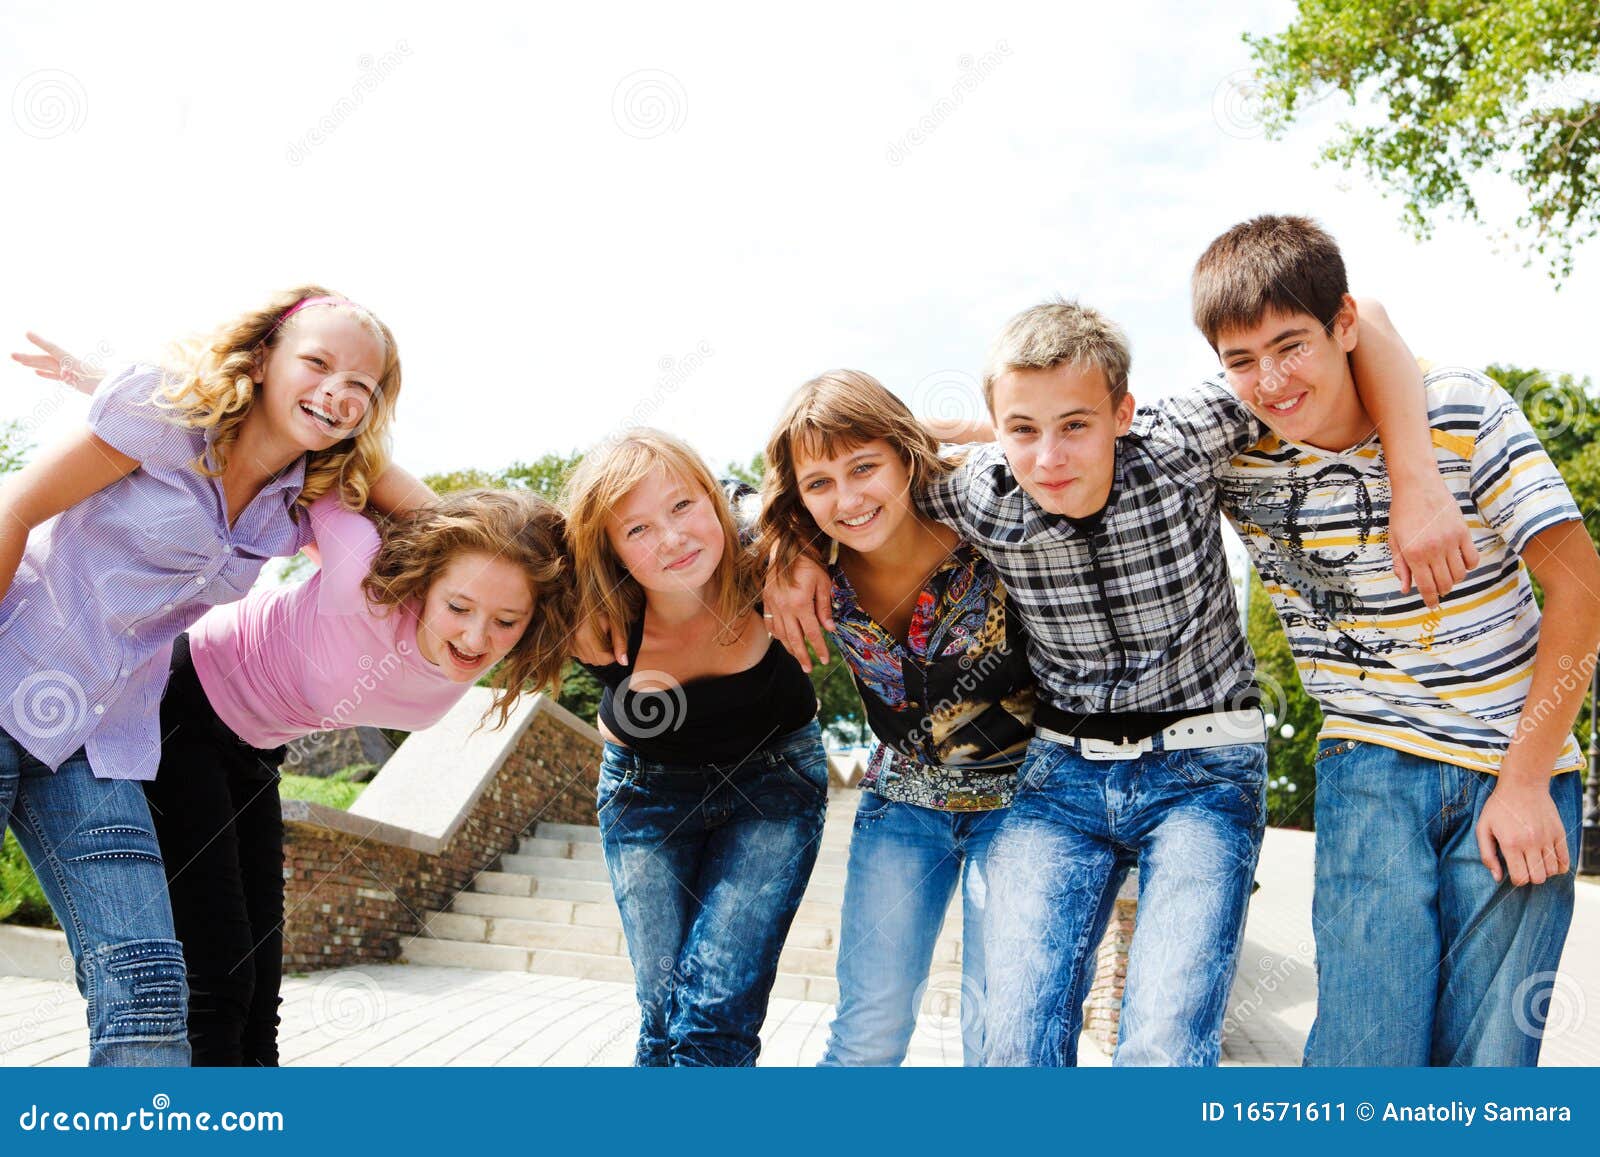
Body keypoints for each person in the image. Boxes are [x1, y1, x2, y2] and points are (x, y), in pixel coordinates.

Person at [766, 297, 1467, 1065]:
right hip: (1061, 775)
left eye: (1076, 424)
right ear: (999, 433)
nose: (1049, 458)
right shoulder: (981, 493)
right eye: (1023, 431)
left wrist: (1417, 476)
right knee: (1010, 1045)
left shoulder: (1180, 439)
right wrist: (789, 547)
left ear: (1123, 411)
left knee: (1161, 1046)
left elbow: (1363, 322)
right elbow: (847, 488)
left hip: (1202, 771)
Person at [1195, 214, 1600, 1065]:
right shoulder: (1238, 452)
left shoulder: (1462, 407)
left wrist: (1524, 782)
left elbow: (1583, 588)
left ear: (1341, 327)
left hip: (1515, 764)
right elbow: (1068, 432)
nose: (1269, 380)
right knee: (1362, 1060)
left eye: (1290, 344)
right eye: (1241, 360)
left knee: (1487, 1068)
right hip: (1368, 763)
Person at [0, 288, 404, 1065]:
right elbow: (16, 505)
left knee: (151, 988)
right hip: (9, 673)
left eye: (365, 383)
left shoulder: (297, 503)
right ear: (262, 359)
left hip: (97, 740)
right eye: (317, 362)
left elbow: (437, 519)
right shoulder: (163, 420)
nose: (339, 389)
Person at [760, 369, 1036, 1066]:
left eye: (864, 467)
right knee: (865, 1038)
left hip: (1028, 810)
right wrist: (783, 549)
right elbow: (717, 510)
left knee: (1001, 1040)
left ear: (905, 455)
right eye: (819, 482)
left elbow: (1070, 438)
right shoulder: (810, 562)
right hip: (902, 806)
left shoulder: (985, 518)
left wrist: (967, 430)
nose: (847, 499)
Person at [564, 429, 827, 1067]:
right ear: (611, 552)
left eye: (682, 507)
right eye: (638, 530)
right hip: (646, 795)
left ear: (713, 499)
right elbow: (475, 537)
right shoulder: (588, 605)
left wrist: (797, 550)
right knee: (662, 1018)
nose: (672, 539)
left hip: (774, 786)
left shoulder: (770, 557)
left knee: (713, 1017)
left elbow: (871, 469)